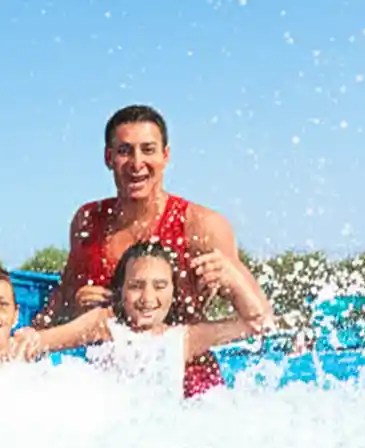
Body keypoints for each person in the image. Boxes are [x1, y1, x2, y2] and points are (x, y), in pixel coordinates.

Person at [34, 104, 272, 390]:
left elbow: (263, 322)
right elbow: (59, 305)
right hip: (111, 383)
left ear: (165, 156)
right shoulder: (89, 220)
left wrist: (231, 280)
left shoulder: (200, 226)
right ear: (108, 158)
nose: (137, 163)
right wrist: (73, 310)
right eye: (125, 151)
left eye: (148, 150)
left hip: (186, 384)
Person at [36, 241, 272, 396]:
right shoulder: (105, 324)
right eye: (136, 286)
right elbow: (43, 340)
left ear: (173, 292)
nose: (148, 298)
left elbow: (257, 324)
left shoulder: (184, 338)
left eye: (160, 286)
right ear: (121, 291)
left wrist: (234, 280)